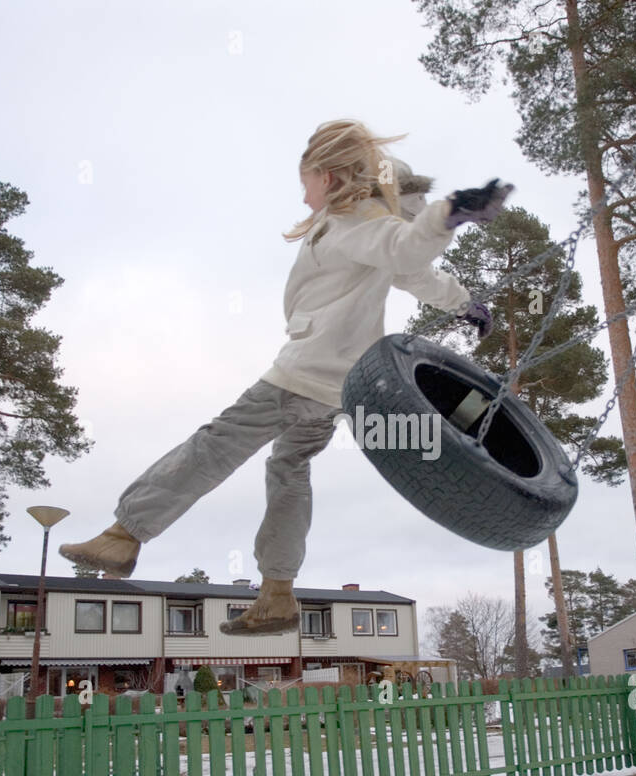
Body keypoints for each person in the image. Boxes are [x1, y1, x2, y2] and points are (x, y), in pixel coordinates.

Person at [59, 118, 511, 635]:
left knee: (216, 444)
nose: (303, 198)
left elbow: (407, 252)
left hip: (302, 374)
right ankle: (277, 592)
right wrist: (464, 302)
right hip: (341, 386)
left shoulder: (356, 224)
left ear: (334, 178)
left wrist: (449, 211)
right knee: (289, 468)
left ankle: (125, 534)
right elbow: (413, 268)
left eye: (307, 183)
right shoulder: (367, 229)